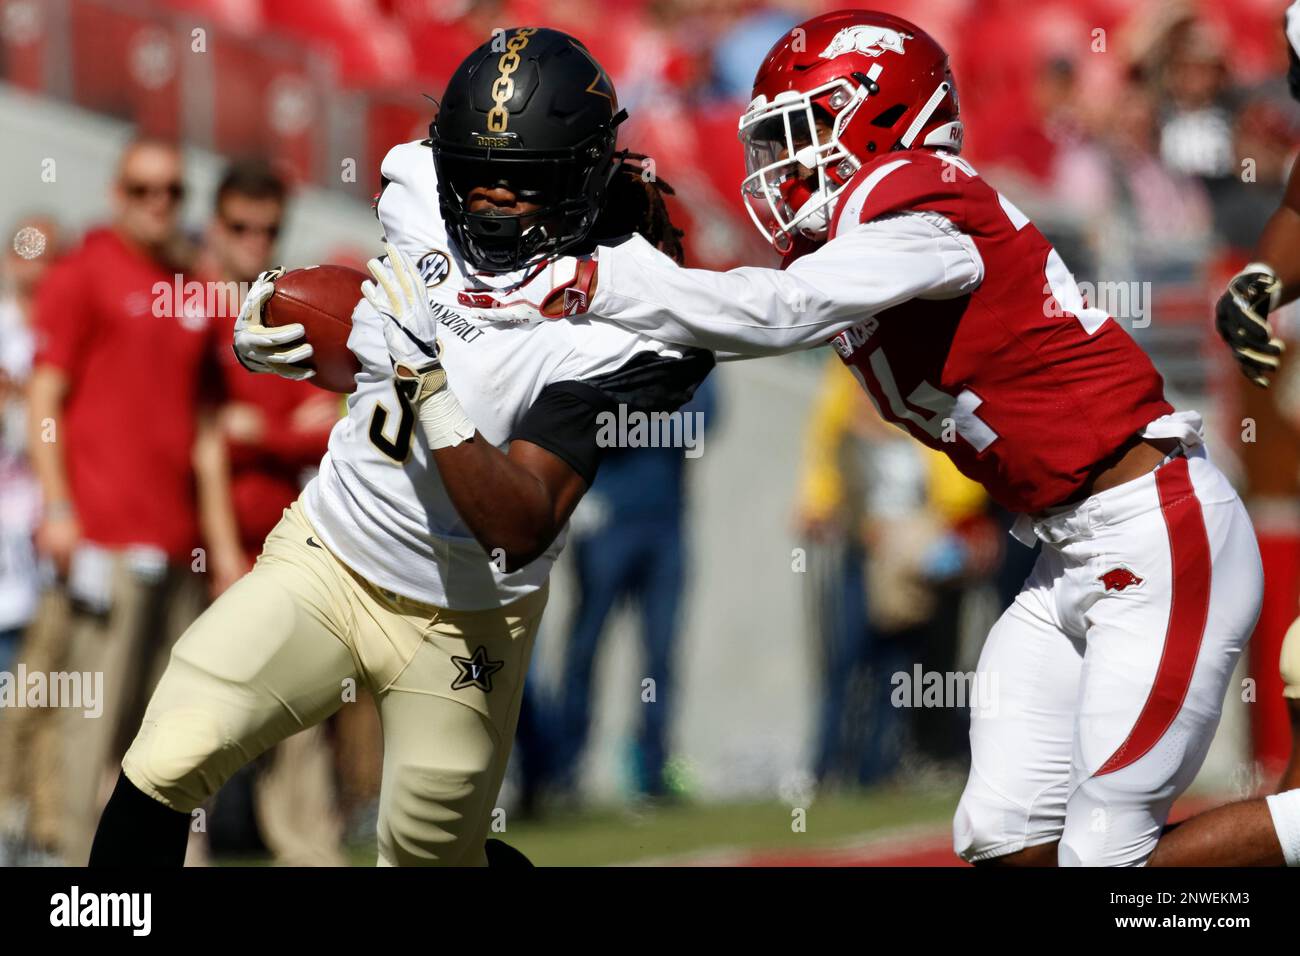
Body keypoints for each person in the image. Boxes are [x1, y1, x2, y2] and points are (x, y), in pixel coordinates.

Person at [473, 10, 1297, 867]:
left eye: (804, 128)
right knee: (1004, 838)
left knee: (1104, 855)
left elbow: (781, 311)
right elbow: (749, 317)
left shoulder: (917, 199)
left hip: (1156, 535)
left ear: (880, 115)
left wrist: (596, 280)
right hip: (1068, 552)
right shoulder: (865, 232)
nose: (782, 167)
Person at [88, 28, 711, 867]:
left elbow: (519, 521)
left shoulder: (608, 322)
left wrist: (430, 382)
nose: (488, 196)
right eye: (475, 170)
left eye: (518, 178)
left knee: (429, 855)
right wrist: (263, 312)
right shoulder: (417, 204)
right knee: (167, 754)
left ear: (575, 178)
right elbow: (341, 323)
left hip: (465, 615)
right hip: (331, 557)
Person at [25, 139, 228, 864]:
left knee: (175, 732)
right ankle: (84, 878)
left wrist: (224, 545)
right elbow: (44, 398)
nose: (158, 203)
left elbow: (205, 431)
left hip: (179, 540)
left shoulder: (195, 287)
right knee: (93, 725)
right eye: (143, 189)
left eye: (172, 190)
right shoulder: (84, 273)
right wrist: (58, 508)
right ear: (118, 191)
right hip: (105, 538)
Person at [198, 160, 347, 865]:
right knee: (186, 724)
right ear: (214, 224)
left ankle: (313, 854)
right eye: (240, 227)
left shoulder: (292, 305)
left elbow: (328, 424)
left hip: (284, 547)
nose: (256, 242)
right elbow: (195, 437)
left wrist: (263, 436)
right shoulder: (189, 307)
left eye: (269, 229)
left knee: (299, 722)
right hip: (204, 546)